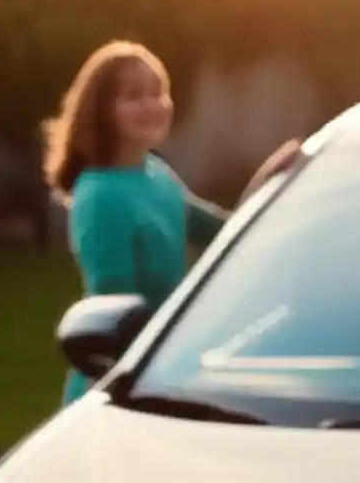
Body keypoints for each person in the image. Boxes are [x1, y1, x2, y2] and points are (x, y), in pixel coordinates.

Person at [44, 40, 300, 405]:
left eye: (158, 93)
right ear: (102, 110)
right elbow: (116, 314)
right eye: (134, 96)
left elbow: (222, 234)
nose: (153, 105)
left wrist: (272, 182)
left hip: (164, 368)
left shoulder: (156, 173)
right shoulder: (100, 196)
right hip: (120, 384)